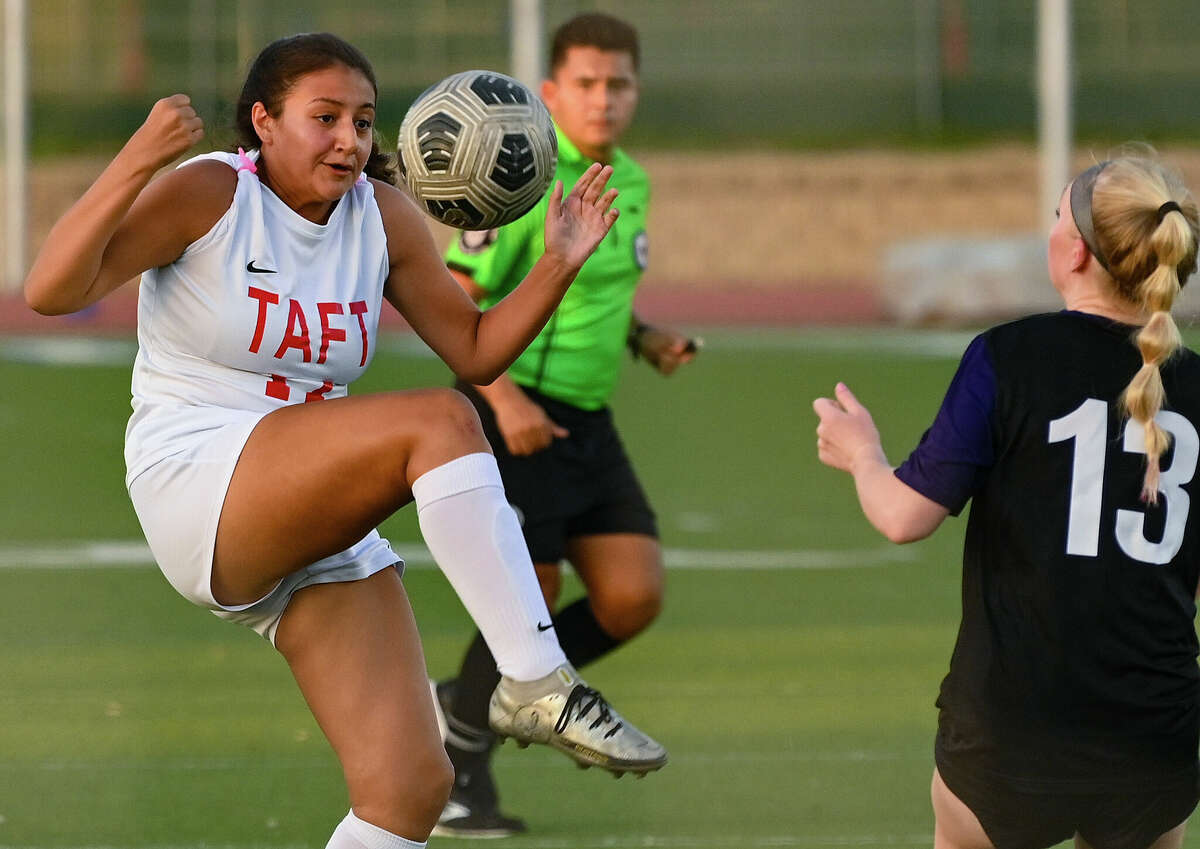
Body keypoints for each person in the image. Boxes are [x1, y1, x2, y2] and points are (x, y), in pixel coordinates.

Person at [23, 32, 666, 849]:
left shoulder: (381, 214)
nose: (349, 139)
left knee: (409, 787)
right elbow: (51, 290)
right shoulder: (214, 191)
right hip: (202, 478)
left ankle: (523, 687)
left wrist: (558, 262)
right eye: (324, 117)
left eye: (363, 121)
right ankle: (535, 680)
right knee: (440, 420)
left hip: (311, 495)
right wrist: (138, 160)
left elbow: (474, 348)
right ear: (262, 121)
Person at [813, 151, 1200, 849]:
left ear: (1075, 250)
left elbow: (903, 516)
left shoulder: (1007, 357)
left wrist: (862, 454)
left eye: (1056, 216)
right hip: (1153, 741)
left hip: (1012, 734)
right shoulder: (1197, 386)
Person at [428, 12, 694, 838]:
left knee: (631, 593)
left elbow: (593, 291)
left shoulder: (633, 180)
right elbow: (457, 299)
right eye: (585, 83)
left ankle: (466, 699)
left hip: (587, 419)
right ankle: (457, 767)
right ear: (549, 92)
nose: (603, 99)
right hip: (514, 411)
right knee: (531, 593)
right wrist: (503, 399)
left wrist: (644, 337)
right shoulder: (521, 177)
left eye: (617, 84)